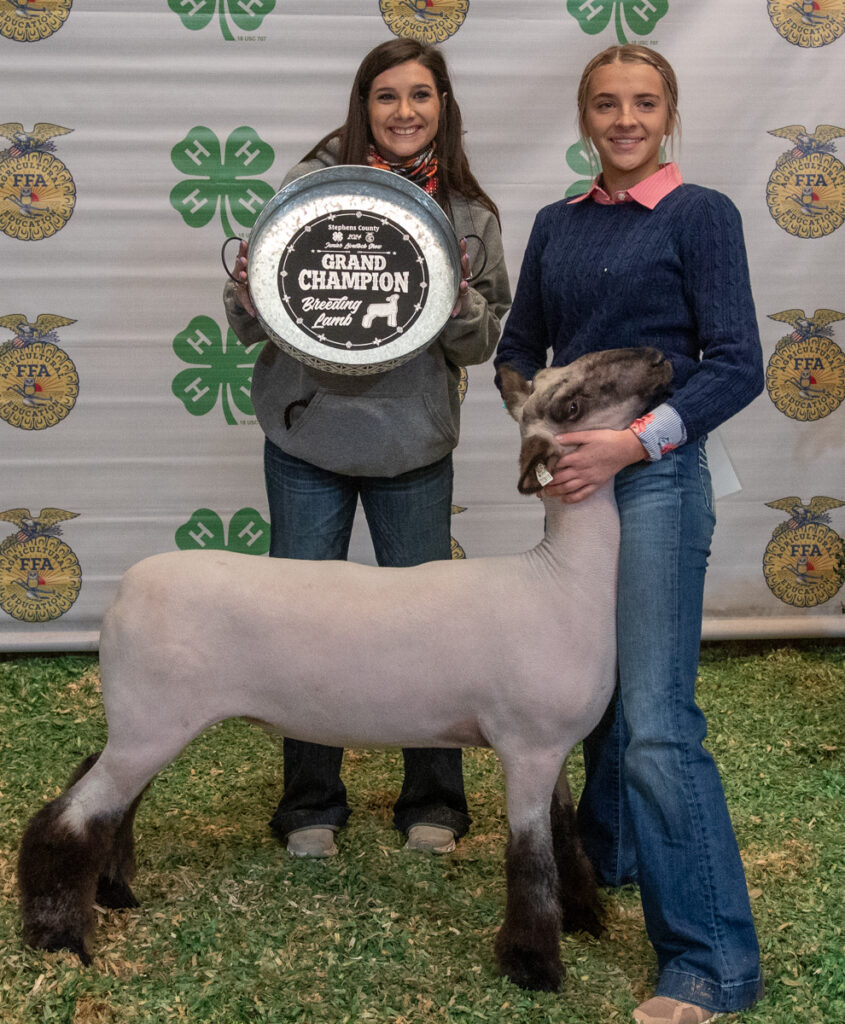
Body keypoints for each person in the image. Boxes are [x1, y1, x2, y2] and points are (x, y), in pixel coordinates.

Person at [494, 45, 763, 1024]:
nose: (622, 118)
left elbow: (736, 364)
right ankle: (602, 861)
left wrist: (628, 443)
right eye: (604, 103)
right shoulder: (555, 226)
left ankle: (708, 964)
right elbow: (517, 349)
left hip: (653, 480)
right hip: (577, 482)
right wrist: (543, 421)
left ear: (666, 113)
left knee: (652, 718)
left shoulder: (699, 215)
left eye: (641, 102)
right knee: (592, 689)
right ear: (583, 116)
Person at [224, 39, 511, 860]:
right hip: (307, 439)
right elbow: (251, 320)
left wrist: (455, 302)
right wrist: (247, 290)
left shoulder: (470, 215)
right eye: (386, 96)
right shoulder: (304, 195)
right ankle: (309, 802)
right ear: (363, 106)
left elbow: (482, 340)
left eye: (421, 95)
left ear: (443, 107)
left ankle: (435, 801)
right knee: (301, 625)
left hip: (412, 447)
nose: (404, 112)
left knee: (428, 627)